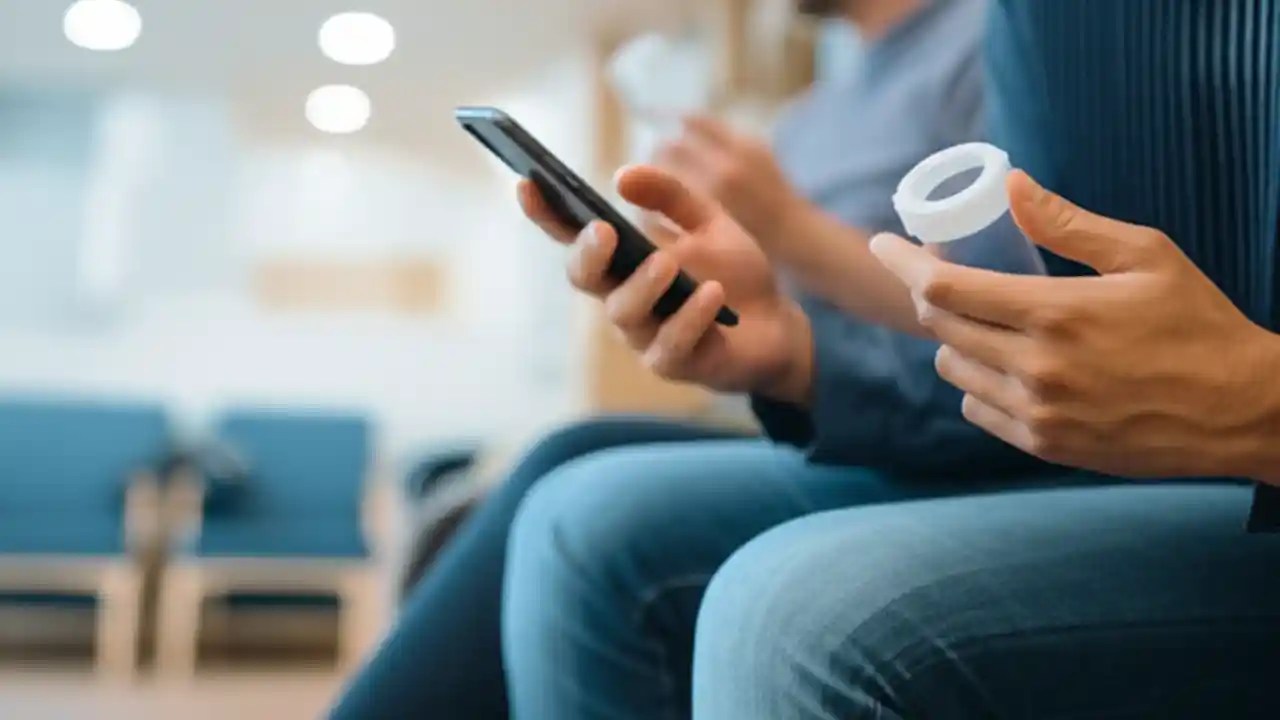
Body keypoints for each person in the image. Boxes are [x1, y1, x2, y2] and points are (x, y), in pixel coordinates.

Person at [329, 0, 1068, 718]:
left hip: (942, 422)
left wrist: (786, 227)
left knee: (580, 490)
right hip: (820, 418)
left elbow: (1014, 302)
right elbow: (778, 299)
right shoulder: (812, 114)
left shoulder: (984, 41)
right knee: (558, 467)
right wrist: (710, 275)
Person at [685, 1, 1280, 716]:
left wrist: (1255, 402)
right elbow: (1044, 325)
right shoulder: (1030, 27)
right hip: (1121, 451)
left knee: (792, 614)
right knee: (591, 505)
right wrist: (797, 356)